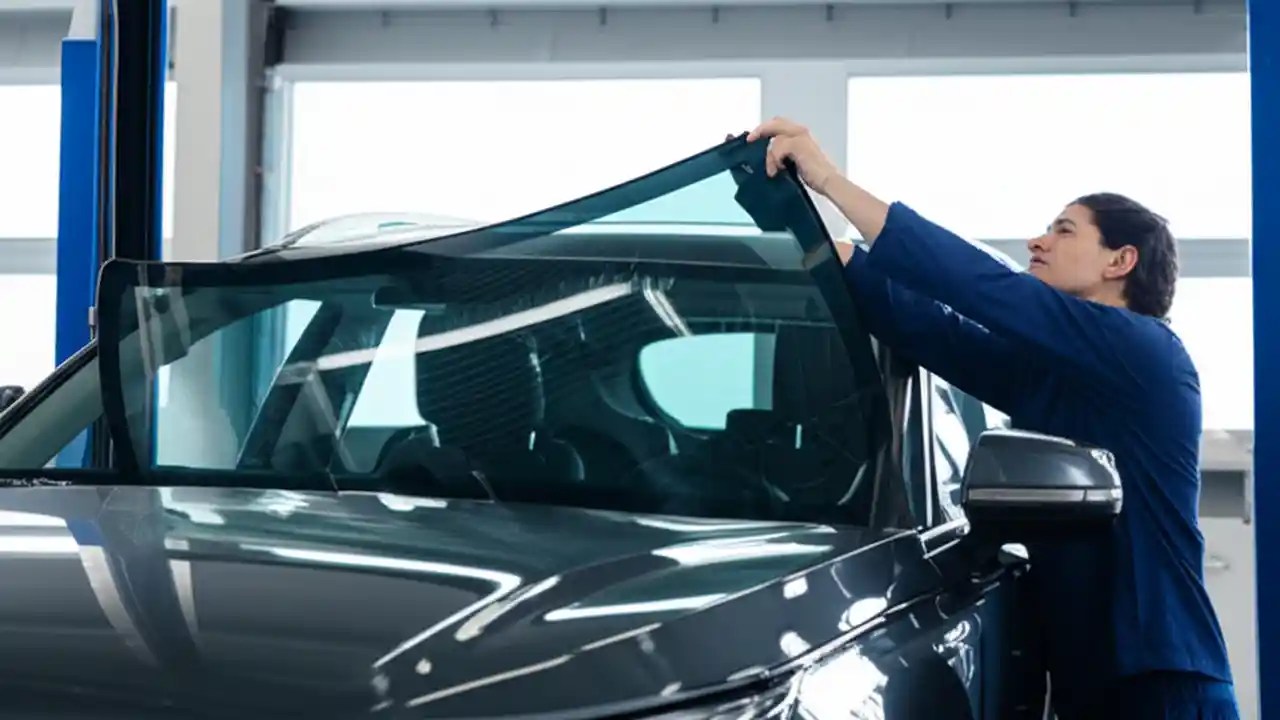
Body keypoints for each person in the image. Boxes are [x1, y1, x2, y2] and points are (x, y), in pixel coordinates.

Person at [742, 117, 1238, 719]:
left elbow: (981, 287)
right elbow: (932, 330)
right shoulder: (1051, 374)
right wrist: (815, 238)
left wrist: (829, 180)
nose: (1037, 242)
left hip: (1162, 686)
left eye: (1063, 230)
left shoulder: (1145, 352)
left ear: (1121, 260)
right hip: (1095, 686)